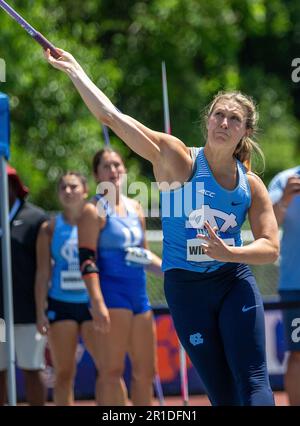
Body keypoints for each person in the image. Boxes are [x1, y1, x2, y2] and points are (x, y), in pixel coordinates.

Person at [44, 48, 279, 406]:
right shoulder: (176, 159)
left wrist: (230, 252)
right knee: (223, 394)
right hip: (186, 289)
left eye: (234, 119)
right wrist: (75, 69)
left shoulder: (251, 184)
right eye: (219, 115)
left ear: (245, 130)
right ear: (208, 121)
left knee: (254, 382)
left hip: (233, 281)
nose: (224, 123)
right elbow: (112, 117)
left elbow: (270, 246)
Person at [77, 148, 162, 406]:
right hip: (112, 297)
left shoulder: (135, 207)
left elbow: (145, 255)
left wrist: (174, 272)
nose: (113, 170)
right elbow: (87, 261)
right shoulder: (93, 211)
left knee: (146, 371)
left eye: (117, 165)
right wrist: (98, 302)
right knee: (111, 371)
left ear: (124, 170)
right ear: (96, 174)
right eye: (106, 166)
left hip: (139, 297)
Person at [35, 172, 100, 406]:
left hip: (92, 305)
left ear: (85, 190)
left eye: (73, 186)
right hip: (60, 305)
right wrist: (40, 311)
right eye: (63, 187)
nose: (68, 191)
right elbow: (43, 274)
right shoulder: (49, 229)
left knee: (107, 369)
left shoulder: (97, 222)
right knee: (63, 374)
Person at [0, 165, 48, 405]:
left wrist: (41, 310)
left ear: (14, 186)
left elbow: (43, 269)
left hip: (28, 312)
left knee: (32, 367)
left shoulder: (35, 218)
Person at [268, 166, 300, 406]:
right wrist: (286, 199)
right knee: (298, 354)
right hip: (295, 285)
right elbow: (267, 225)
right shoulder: (284, 180)